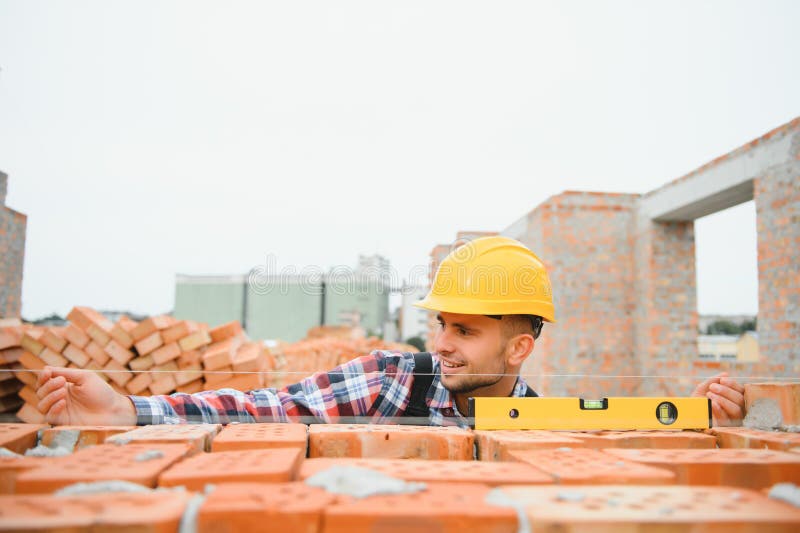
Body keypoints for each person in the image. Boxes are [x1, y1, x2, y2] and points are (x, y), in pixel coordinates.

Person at [35, 236, 746, 428]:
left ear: (519, 347)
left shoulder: (546, 419)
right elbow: (272, 406)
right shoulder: (391, 379)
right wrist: (133, 409)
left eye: (464, 329)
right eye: (440, 321)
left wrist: (705, 415)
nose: (441, 340)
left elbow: (636, 434)